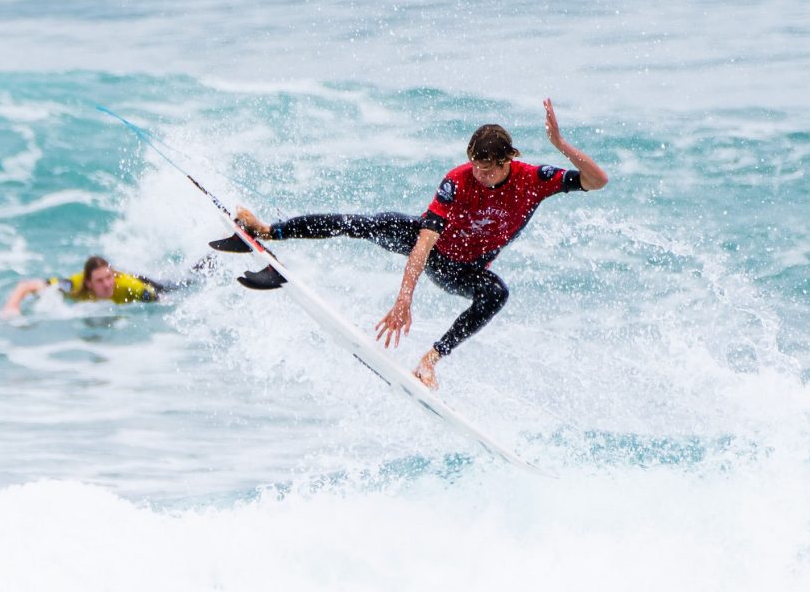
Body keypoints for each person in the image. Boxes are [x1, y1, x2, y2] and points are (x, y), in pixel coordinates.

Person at [211, 99, 607, 388]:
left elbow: (597, 180)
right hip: (433, 249)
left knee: (496, 294)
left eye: (487, 170)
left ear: (508, 161)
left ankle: (430, 360)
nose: (480, 176)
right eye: (475, 167)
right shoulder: (457, 180)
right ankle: (267, 232)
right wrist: (404, 298)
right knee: (367, 223)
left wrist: (559, 144)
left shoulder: (532, 180)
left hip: (465, 270)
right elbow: (423, 242)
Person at [0, 254, 183, 319]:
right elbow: (26, 286)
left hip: (144, 282)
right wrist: (11, 306)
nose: (107, 284)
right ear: (88, 283)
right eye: (100, 281)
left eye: (109, 278)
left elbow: (161, 300)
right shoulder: (74, 286)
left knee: (178, 283)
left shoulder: (129, 287)